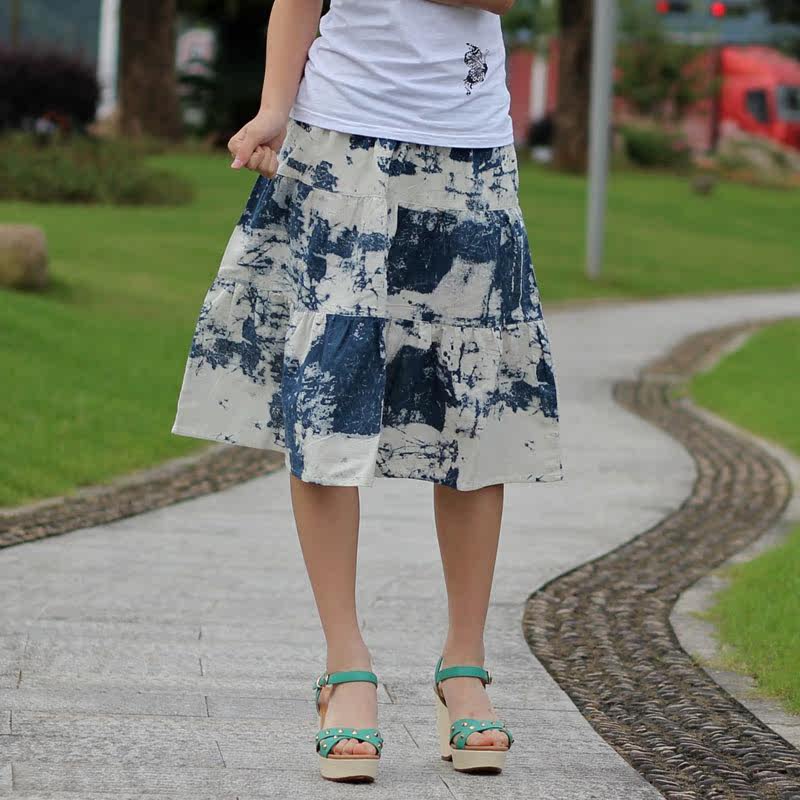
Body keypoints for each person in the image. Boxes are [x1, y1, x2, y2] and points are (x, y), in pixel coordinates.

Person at [171, 0, 563, 783]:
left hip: (468, 151)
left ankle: (464, 667)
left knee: (471, 413)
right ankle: (345, 665)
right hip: (338, 143)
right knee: (326, 400)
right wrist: (275, 107)